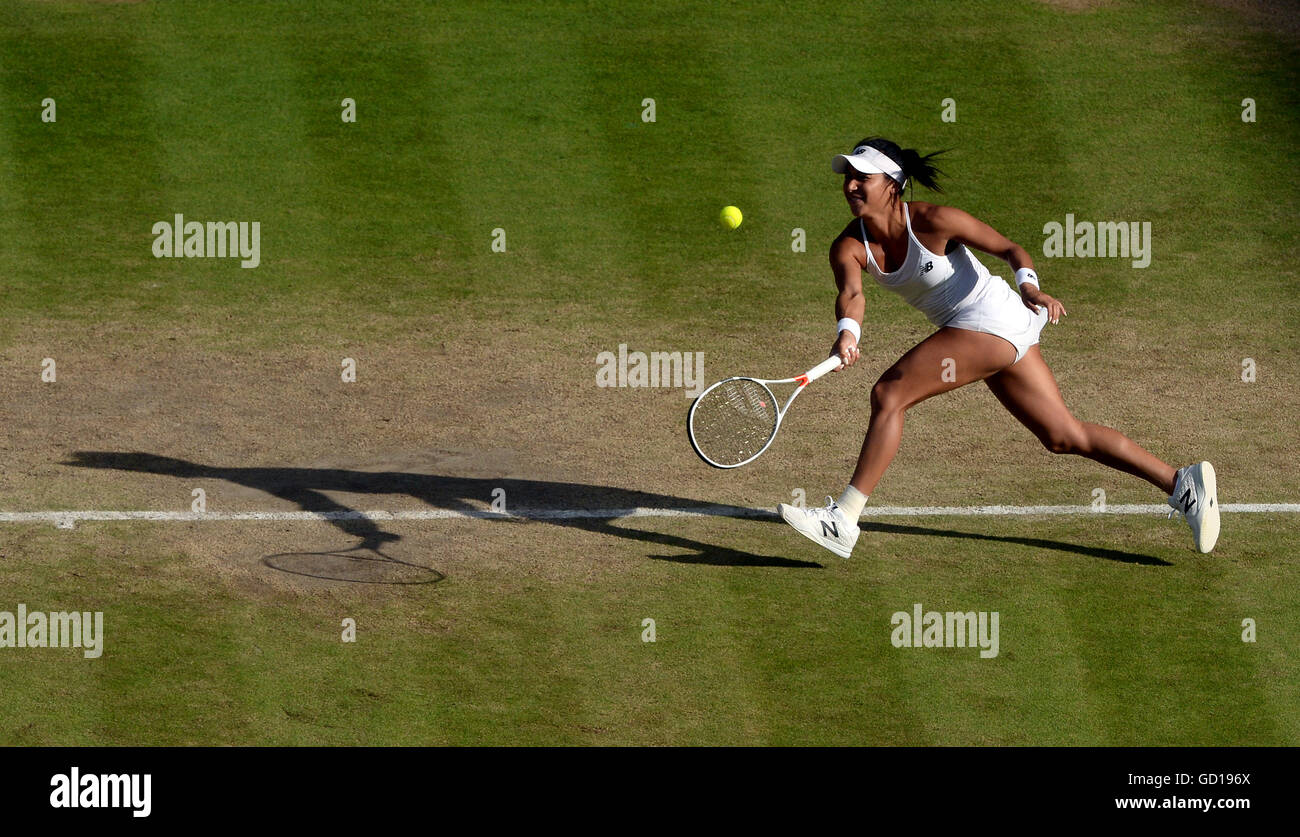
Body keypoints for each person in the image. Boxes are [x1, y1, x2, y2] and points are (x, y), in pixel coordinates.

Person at [777, 138, 1218, 557]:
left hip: (995, 318)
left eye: (863, 178)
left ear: (893, 185)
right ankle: (1183, 484)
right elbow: (853, 295)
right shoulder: (849, 246)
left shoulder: (934, 220)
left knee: (889, 394)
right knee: (1063, 436)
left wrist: (1031, 289)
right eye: (848, 176)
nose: (851, 185)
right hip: (982, 331)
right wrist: (848, 332)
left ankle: (844, 520)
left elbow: (1010, 248)